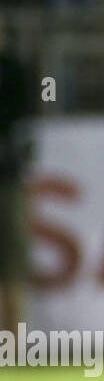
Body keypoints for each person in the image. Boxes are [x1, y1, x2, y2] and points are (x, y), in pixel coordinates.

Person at [0, 17, 36, 335]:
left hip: (8, 181)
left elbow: (27, 130)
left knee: (12, 266)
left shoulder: (13, 71)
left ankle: (12, 345)